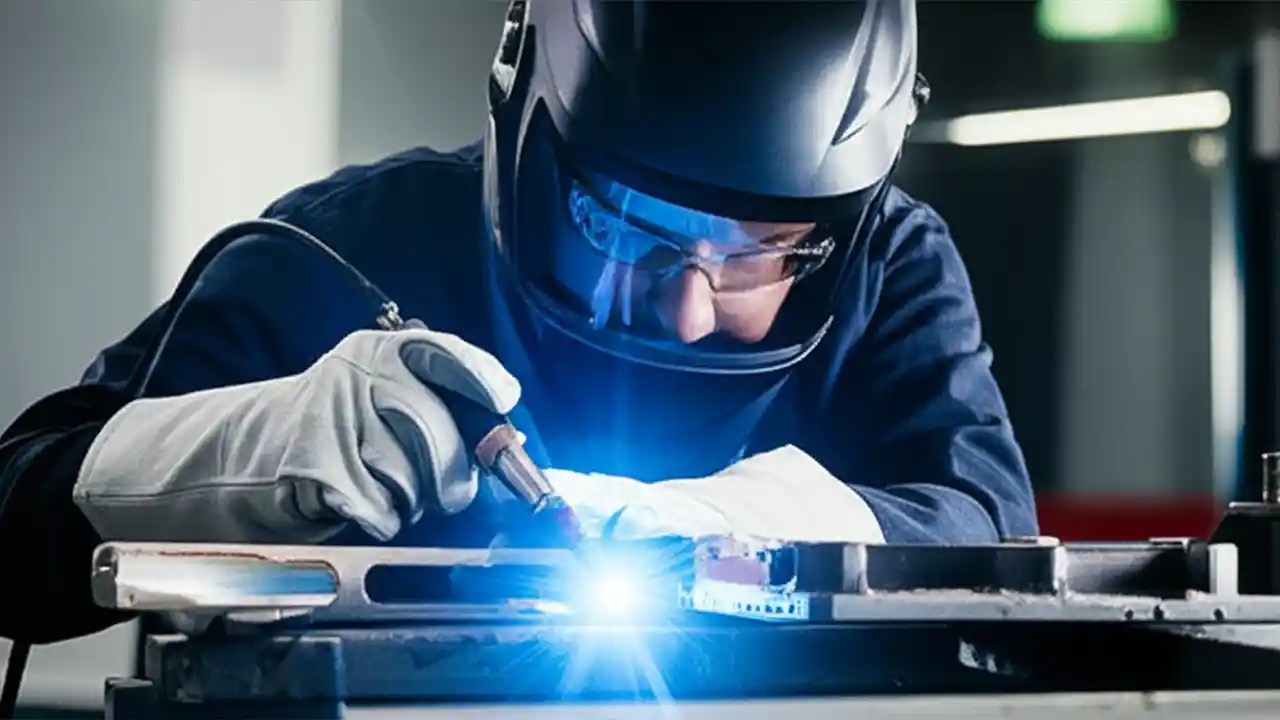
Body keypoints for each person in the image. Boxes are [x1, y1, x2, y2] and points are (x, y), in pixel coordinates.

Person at [0, 0, 1037, 645]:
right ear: (534, 137)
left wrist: (792, 524)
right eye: (626, 225)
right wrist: (237, 456)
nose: (685, 310)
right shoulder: (346, 245)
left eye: (760, 252)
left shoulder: (886, 264)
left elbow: (988, 527)